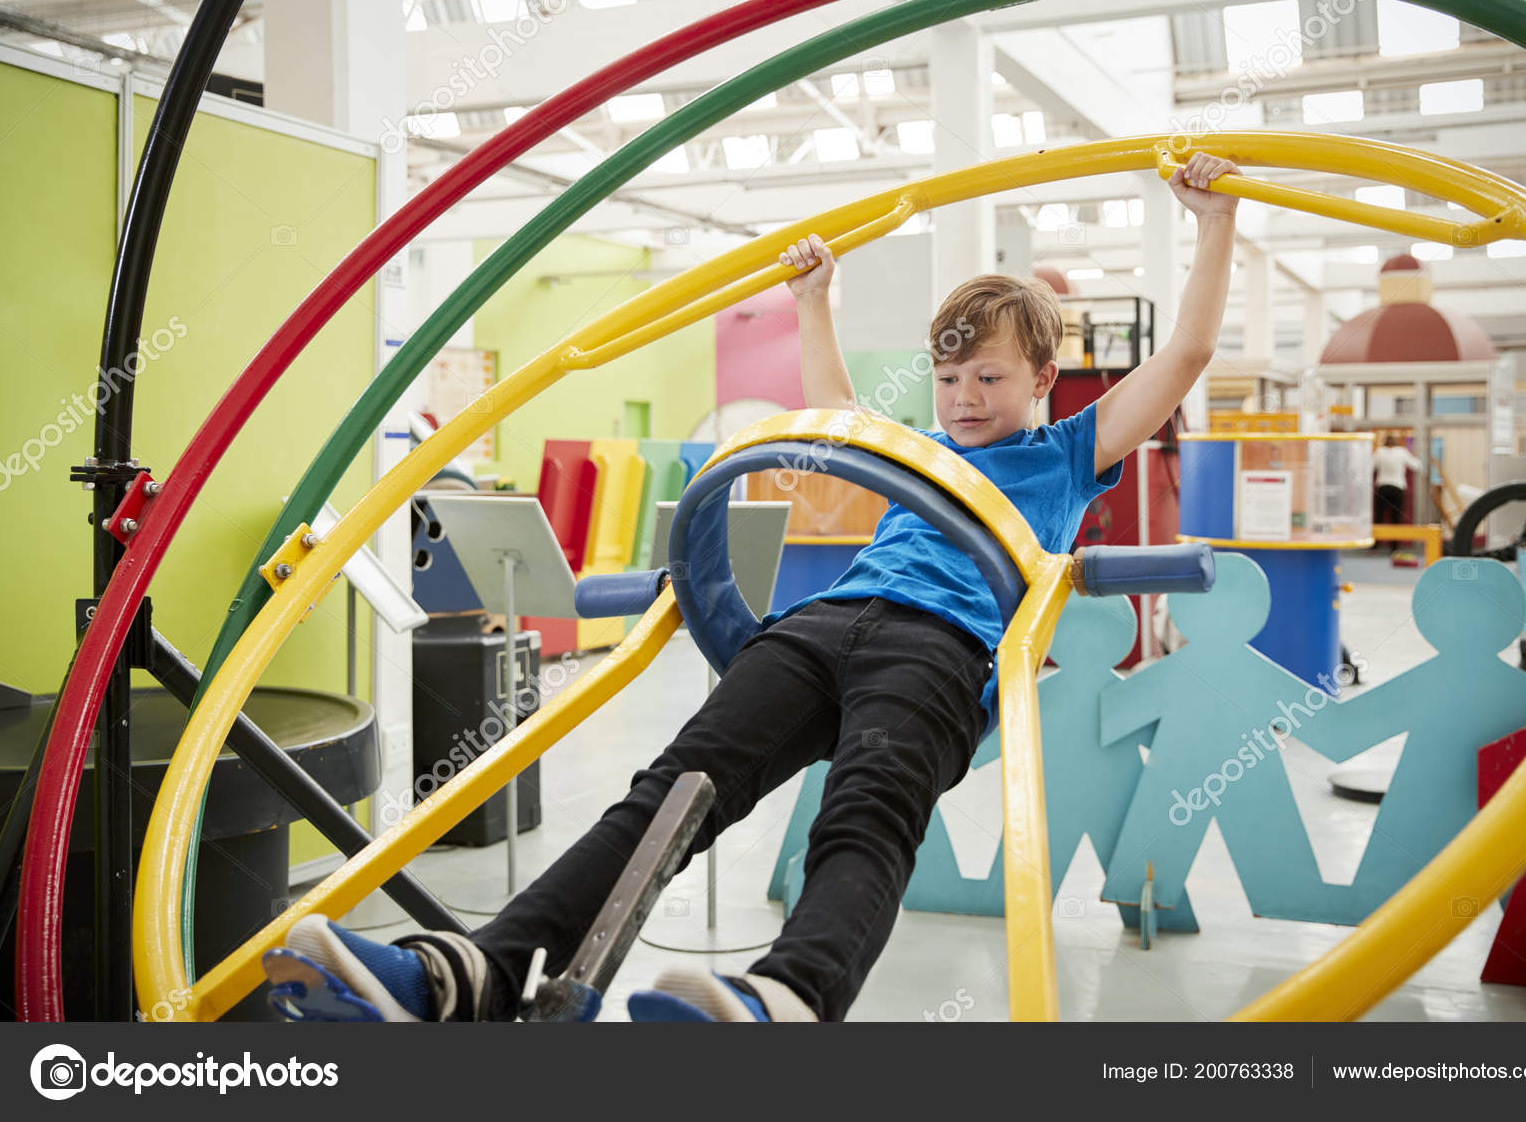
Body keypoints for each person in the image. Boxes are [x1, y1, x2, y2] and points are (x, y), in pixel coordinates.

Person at [264, 151, 1243, 1023]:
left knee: (865, 814)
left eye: (988, 379)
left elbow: (1186, 355)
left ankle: (784, 997)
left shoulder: (1072, 451)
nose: (964, 400)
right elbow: (830, 416)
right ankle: (473, 973)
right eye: (948, 382)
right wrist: (815, 299)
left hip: (940, 649)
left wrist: (1213, 221)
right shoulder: (918, 449)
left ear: (1042, 376)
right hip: (819, 626)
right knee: (670, 792)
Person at [1372, 429, 1422, 549]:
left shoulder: (1379, 452)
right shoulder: (1402, 452)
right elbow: (1417, 466)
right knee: (1396, 516)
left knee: (1379, 516)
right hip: (1397, 487)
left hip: (1382, 486)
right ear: (1396, 442)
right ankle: (1394, 546)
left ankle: (1376, 544)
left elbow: (1369, 467)